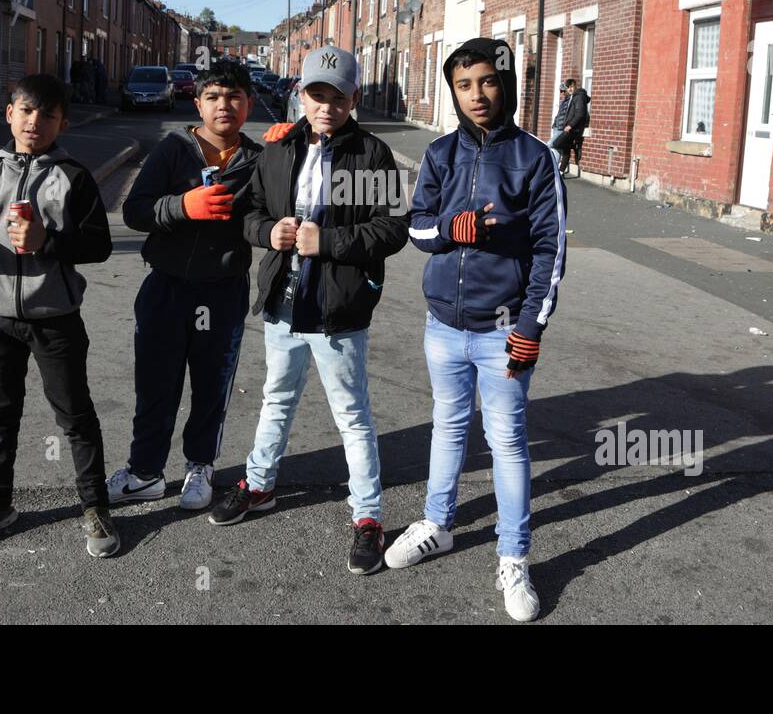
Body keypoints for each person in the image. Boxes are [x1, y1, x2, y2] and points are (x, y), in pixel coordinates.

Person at [208, 46, 409, 577]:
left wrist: (332, 241)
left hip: (337, 309)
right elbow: (247, 212)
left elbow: (392, 229)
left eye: (337, 97)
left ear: (354, 99)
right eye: (317, 95)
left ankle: (367, 517)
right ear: (301, 95)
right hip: (283, 302)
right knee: (276, 398)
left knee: (352, 416)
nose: (326, 106)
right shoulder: (279, 149)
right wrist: (266, 233)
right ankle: (260, 485)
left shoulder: (371, 155)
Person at [387, 37, 566, 621]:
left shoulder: (536, 158)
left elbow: (550, 251)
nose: (477, 95)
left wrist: (532, 327)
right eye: (464, 85)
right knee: (447, 426)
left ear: (505, 83)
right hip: (443, 324)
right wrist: (448, 231)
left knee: (508, 442)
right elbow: (415, 230)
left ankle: (514, 556)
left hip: (504, 330)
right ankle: (437, 523)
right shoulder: (439, 154)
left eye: (487, 81)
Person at [0, 73, 119, 557]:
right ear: (10, 112)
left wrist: (47, 243)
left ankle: (95, 508)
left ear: (63, 123)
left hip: (55, 317)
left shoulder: (73, 177)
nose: (36, 121)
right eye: (27, 110)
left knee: (75, 415)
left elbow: (99, 244)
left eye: (48, 114)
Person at [107, 58, 261, 510]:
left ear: (249, 104)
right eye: (213, 97)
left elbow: (266, 215)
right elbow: (136, 210)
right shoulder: (173, 150)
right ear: (197, 104)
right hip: (166, 288)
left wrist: (287, 141)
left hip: (222, 291)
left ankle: (201, 467)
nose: (223, 106)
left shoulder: (257, 160)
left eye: (234, 97)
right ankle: (146, 473)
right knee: (155, 384)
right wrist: (183, 206)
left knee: (211, 386)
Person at [552, 78, 591, 175]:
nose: (569, 89)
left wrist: (570, 125)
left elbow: (580, 114)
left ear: (575, 86)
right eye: (568, 88)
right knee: (566, 150)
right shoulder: (574, 96)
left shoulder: (579, 97)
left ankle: (575, 145)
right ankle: (561, 171)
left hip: (574, 129)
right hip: (570, 127)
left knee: (556, 144)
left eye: (571, 87)